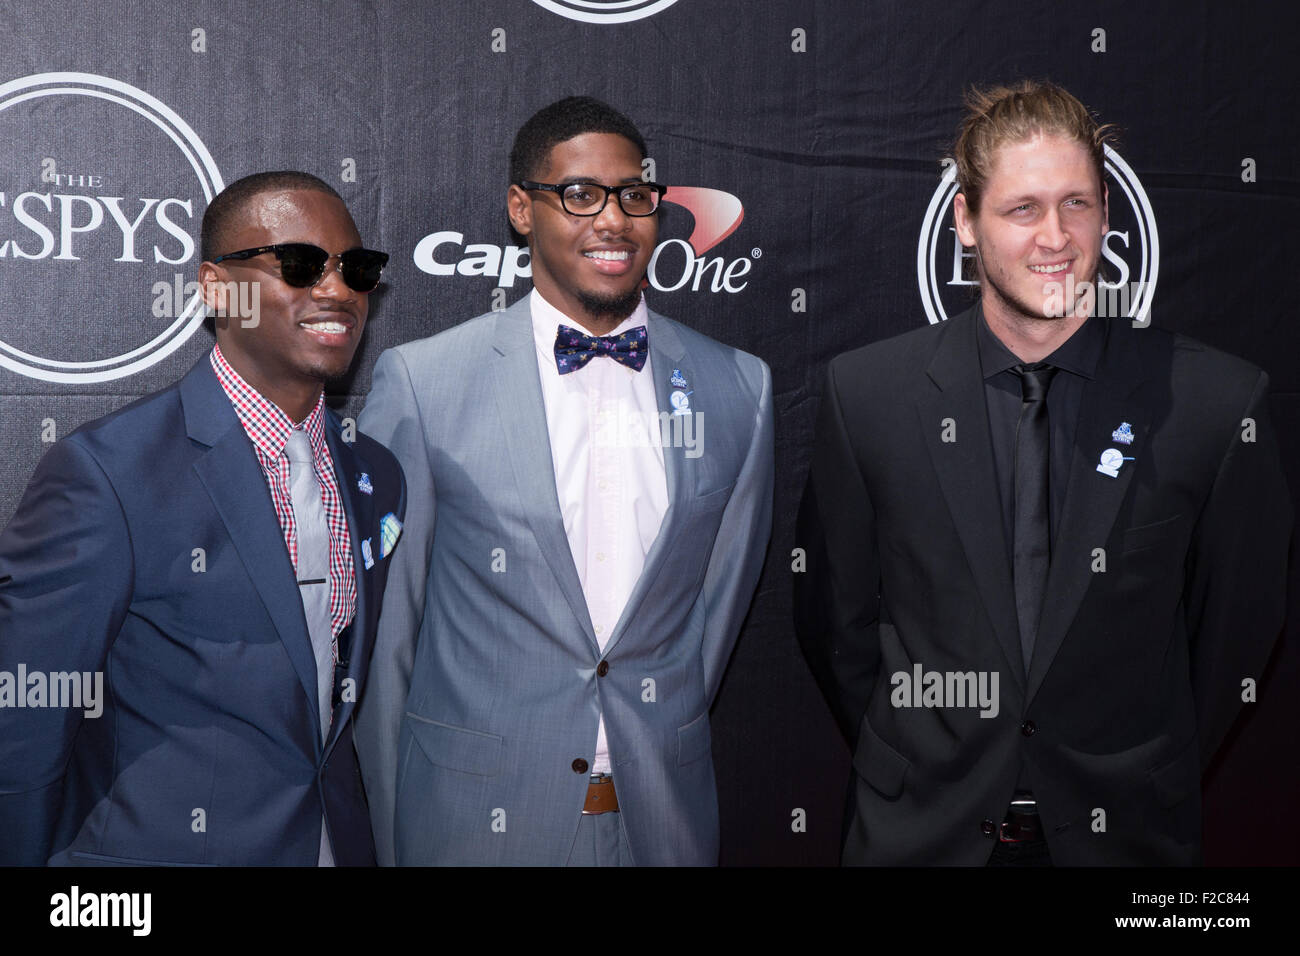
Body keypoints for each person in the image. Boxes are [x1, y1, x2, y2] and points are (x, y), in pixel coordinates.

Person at [794, 81, 1291, 865]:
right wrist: (920, 754)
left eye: (1078, 205)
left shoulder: (1216, 402)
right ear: (965, 221)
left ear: (1105, 212)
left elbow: (1234, 634)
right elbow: (836, 626)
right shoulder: (868, 395)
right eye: (1022, 209)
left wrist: (1142, 764)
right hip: (918, 832)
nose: (1055, 237)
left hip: (1126, 836)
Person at [355, 96, 773, 866]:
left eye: (635, 196)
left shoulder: (739, 388)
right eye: (579, 194)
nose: (612, 220)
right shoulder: (424, 382)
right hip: (470, 822)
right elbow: (387, 645)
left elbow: (714, 617)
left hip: (662, 822)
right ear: (522, 208)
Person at [0, 171, 405, 866]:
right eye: (301, 264)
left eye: (356, 269)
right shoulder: (108, 473)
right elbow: (24, 723)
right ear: (218, 287)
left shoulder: (376, 473)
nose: (338, 291)